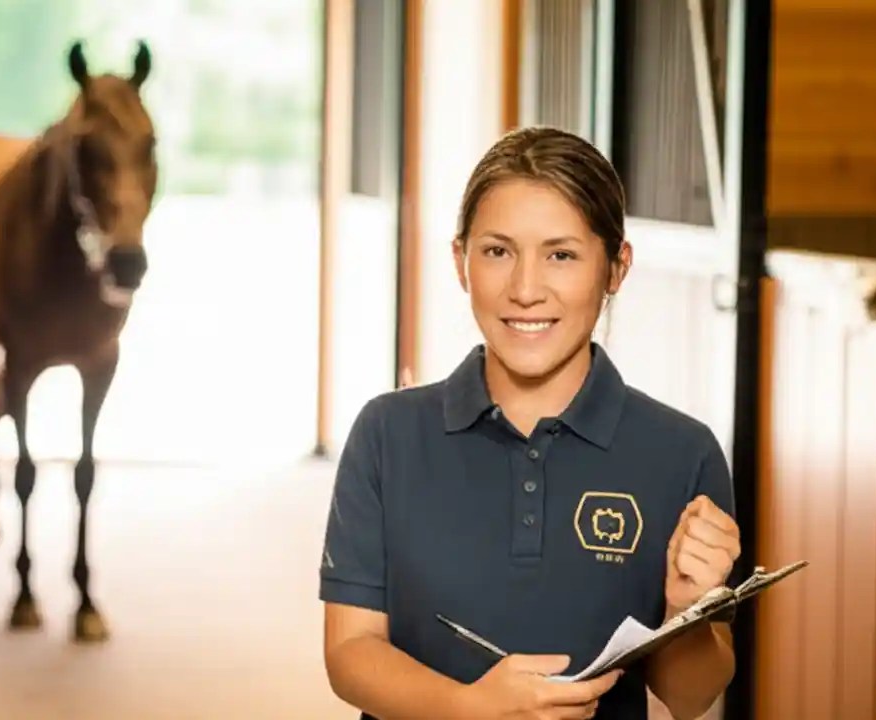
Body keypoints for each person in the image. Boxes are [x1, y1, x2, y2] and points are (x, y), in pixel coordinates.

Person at [317, 126, 742, 720]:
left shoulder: (683, 452)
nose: (525, 289)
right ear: (461, 262)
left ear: (616, 269)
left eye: (561, 255)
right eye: (497, 251)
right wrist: (471, 709)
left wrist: (686, 611)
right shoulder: (387, 434)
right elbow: (350, 652)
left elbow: (690, 698)